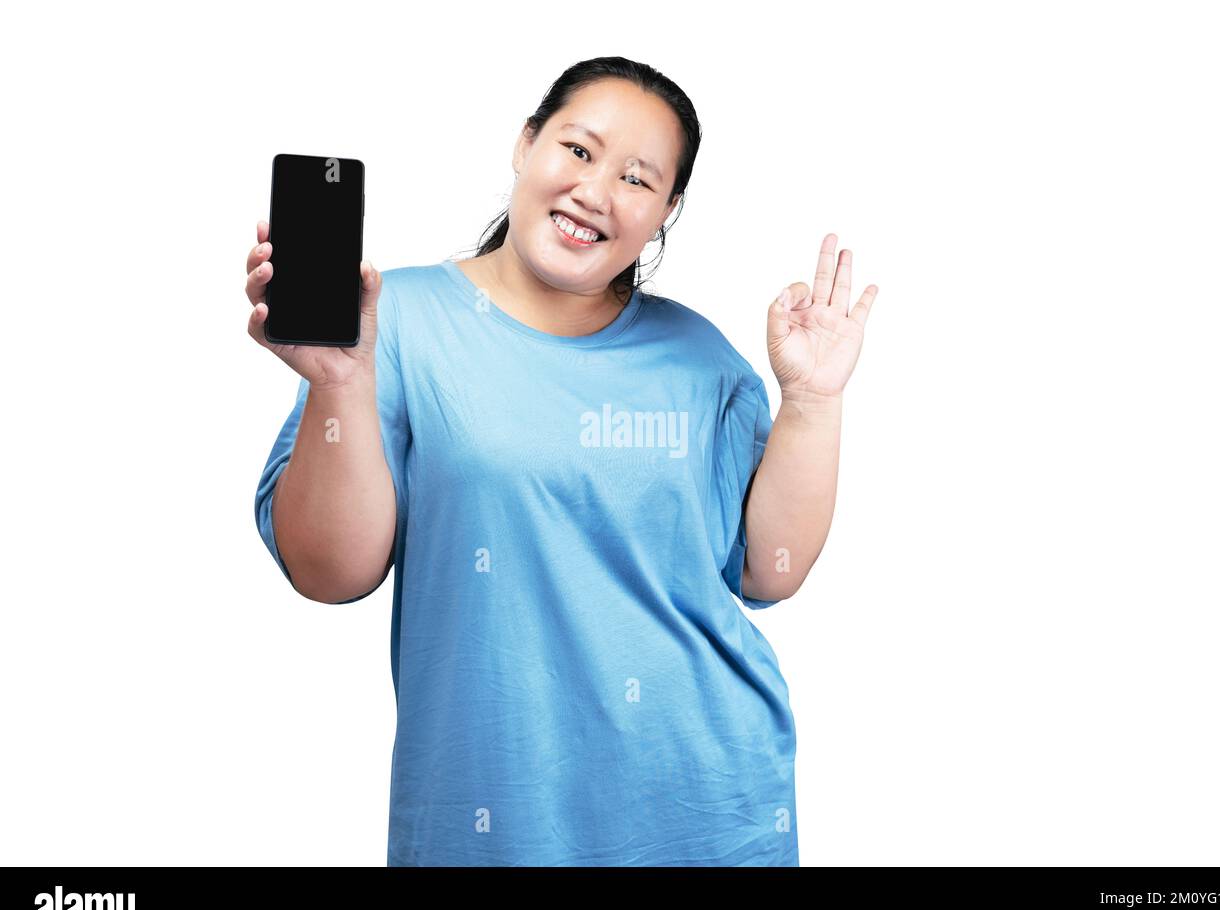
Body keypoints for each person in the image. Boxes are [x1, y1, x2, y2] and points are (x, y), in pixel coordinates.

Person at [248, 56, 878, 866]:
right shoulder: (393, 321)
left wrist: (814, 402)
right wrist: (339, 384)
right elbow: (329, 573)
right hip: (495, 819)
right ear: (526, 144)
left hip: (708, 812)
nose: (596, 191)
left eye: (638, 179)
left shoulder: (700, 358)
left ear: (667, 211)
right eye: (579, 150)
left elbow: (769, 569)